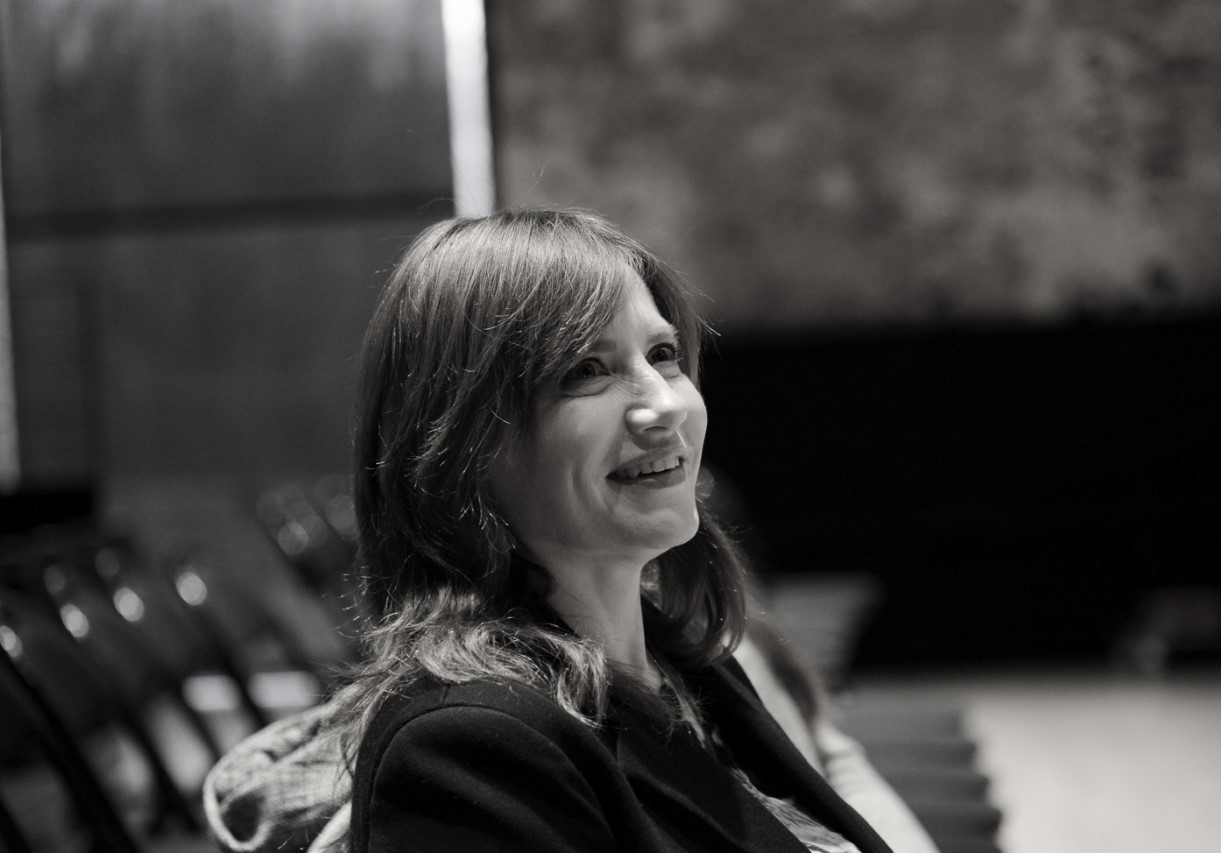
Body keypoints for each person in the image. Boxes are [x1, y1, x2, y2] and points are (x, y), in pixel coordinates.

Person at [324, 209, 896, 852]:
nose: (666, 404)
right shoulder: (465, 748)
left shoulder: (678, 662)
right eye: (586, 371)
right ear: (461, 446)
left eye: (663, 354)